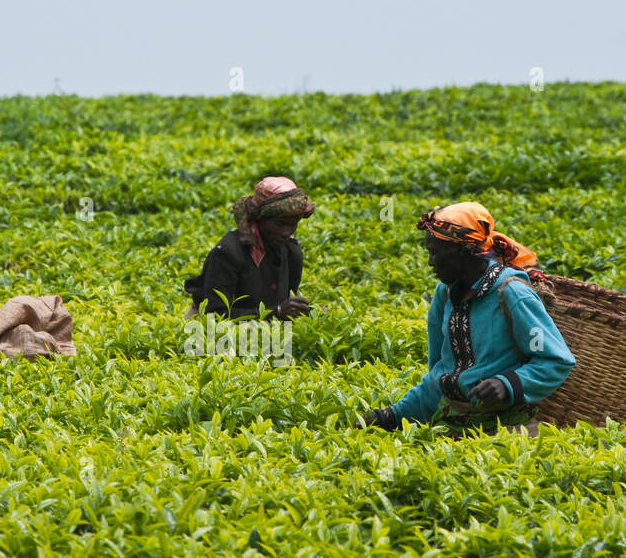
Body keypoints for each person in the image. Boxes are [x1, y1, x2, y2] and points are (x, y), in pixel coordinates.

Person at [360, 202, 575, 436]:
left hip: (509, 430)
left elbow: (554, 360)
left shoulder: (512, 294)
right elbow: (441, 375)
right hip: (451, 422)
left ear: (463, 251)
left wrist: (508, 383)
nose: (431, 262)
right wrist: (392, 416)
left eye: (435, 253)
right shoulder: (445, 294)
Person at [184, 176, 315, 320]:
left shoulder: (291, 253)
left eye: (293, 224)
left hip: (264, 333)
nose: (287, 232)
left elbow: (287, 308)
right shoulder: (229, 252)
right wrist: (276, 312)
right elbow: (214, 314)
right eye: (280, 223)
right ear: (260, 218)